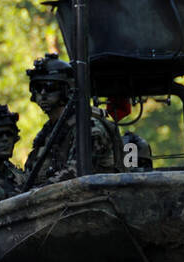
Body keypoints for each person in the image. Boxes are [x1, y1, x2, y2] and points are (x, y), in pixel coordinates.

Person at [22, 53, 123, 186]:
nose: (43, 94)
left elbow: (75, 176)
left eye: (50, 87)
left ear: (67, 89)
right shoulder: (49, 130)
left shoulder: (88, 127)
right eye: (38, 88)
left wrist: (33, 193)